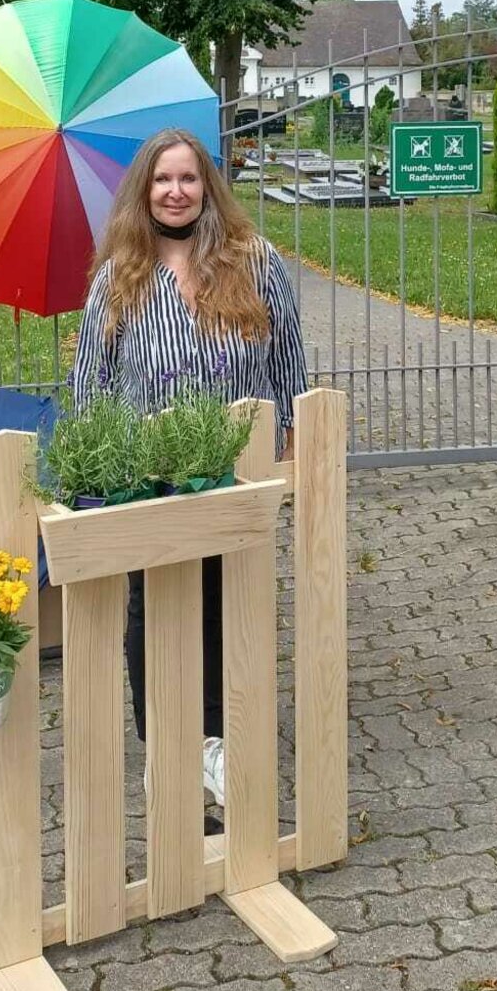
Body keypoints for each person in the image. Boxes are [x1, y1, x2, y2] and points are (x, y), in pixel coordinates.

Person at [70, 127, 308, 813]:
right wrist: (98, 462)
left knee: (229, 596)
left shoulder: (254, 261)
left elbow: (288, 350)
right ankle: (163, 745)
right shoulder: (121, 273)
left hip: (240, 460)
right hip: (156, 467)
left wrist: (290, 428)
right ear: (144, 192)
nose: (176, 192)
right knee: (156, 605)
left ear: (208, 187)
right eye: (162, 180)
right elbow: (92, 376)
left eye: (188, 179)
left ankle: (216, 738)